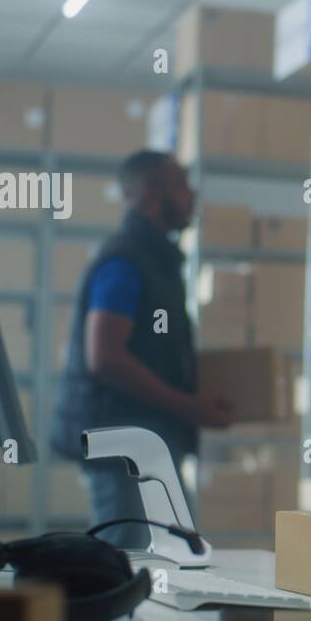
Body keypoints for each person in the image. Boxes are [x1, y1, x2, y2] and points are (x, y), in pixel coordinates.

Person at [51, 150, 233, 548]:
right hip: (122, 446)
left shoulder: (154, 259)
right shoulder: (126, 261)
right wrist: (190, 407)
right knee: (128, 556)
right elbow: (105, 358)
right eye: (182, 184)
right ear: (152, 194)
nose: (192, 194)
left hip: (144, 444)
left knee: (177, 553)